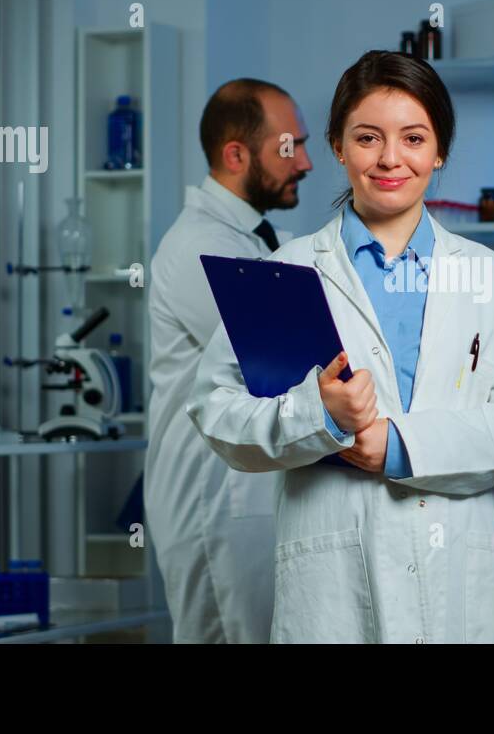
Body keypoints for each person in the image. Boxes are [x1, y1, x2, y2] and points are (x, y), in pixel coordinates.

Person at [187, 50, 494, 643]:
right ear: (338, 146)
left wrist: (397, 445)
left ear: (439, 151)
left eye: (413, 138)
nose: (390, 158)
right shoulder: (287, 272)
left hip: (458, 579)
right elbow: (215, 411)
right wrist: (318, 415)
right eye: (367, 138)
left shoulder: (488, 277)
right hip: (333, 585)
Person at [145, 78, 312, 643]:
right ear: (236, 154)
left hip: (250, 502)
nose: (307, 161)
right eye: (290, 147)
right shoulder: (199, 248)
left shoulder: (258, 240)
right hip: (213, 506)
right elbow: (288, 363)